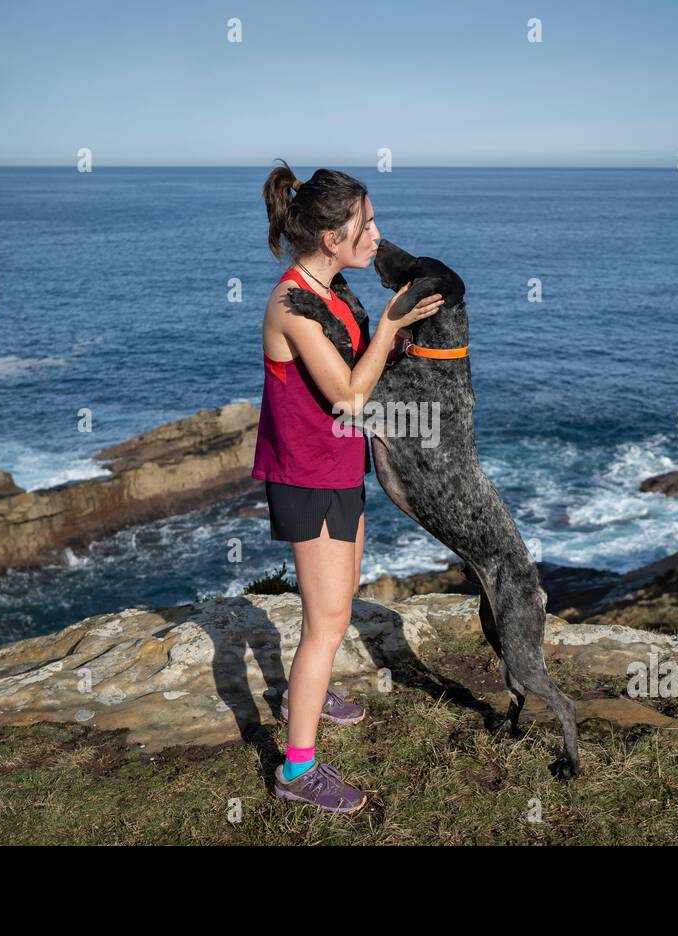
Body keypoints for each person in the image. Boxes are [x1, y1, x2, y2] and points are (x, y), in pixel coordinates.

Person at [255, 159, 443, 813]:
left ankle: (303, 692)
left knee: (332, 611)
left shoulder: (332, 293)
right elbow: (349, 394)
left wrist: (402, 336)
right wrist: (391, 324)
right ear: (332, 238)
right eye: (366, 223)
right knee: (329, 623)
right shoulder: (291, 303)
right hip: (307, 478)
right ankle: (297, 769)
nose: (377, 233)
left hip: (337, 470)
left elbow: (363, 364)